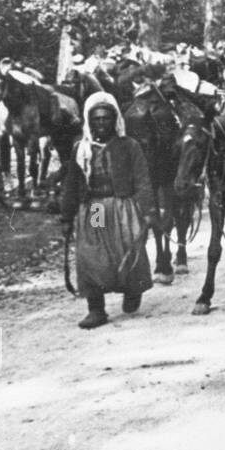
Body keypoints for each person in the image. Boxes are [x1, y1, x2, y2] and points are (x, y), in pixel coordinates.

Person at [60, 93, 155, 329]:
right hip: (97, 208)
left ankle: (132, 291)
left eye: (106, 119)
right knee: (93, 254)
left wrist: (149, 210)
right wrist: (66, 216)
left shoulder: (129, 146)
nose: (101, 124)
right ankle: (96, 308)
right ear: (89, 122)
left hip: (122, 206)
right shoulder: (81, 150)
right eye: (96, 119)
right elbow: (71, 184)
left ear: (115, 120)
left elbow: (143, 179)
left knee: (128, 248)